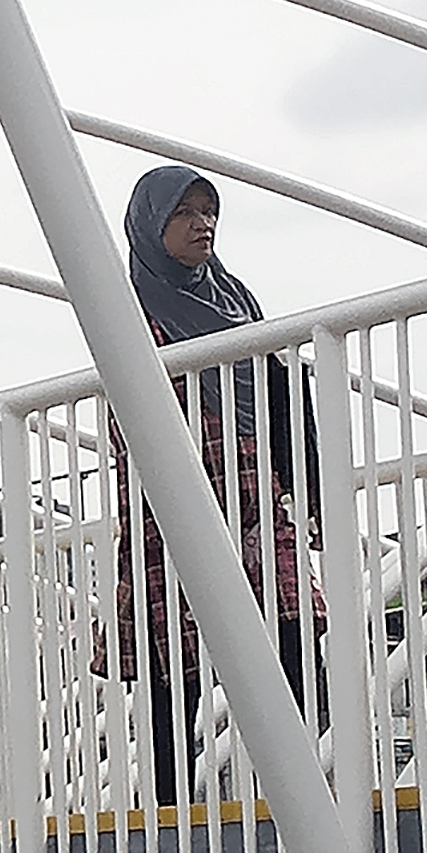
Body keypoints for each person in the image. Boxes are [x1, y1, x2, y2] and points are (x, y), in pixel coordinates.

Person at [106, 166, 319, 806]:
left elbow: (281, 387)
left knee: (296, 640)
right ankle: (173, 813)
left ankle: (295, 795)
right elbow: (132, 419)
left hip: (255, 497)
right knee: (174, 671)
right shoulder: (130, 312)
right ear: (151, 227)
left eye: (209, 211)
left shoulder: (234, 300)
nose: (203, 224)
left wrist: (305, 477)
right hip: (173, 505)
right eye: (185, 214)